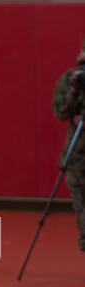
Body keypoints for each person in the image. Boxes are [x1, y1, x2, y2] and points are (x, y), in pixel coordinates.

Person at [51, 40, 85, 251]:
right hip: (77, 157)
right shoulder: (70, 79)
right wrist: (73, 90)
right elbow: (60, 112)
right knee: (82, 208)